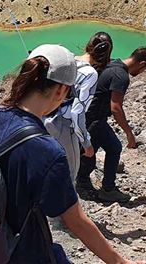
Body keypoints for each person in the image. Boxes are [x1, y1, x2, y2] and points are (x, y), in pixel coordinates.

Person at [0, 45, 143, 264]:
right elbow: (76, 222)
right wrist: (120, 262)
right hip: (24, 252)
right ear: (61, 91)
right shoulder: (48, 150)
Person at [78, 47, 146, 203]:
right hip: (95, 119)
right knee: (112, 148)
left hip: (88, 116)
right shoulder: (121, 76)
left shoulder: (113, 64)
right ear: (141, 63)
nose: (144, 71)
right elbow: (116, 107)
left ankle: (82, 183)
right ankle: (106, 189)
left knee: (89, 151)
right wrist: (129, 133)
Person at [45, 33, 106, 183]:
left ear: (87, 46)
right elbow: (77, 112)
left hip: (43, 117)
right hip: (64, 126)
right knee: (69, 174)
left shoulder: (67, 60)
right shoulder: (90, 74)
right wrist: (86, 143)